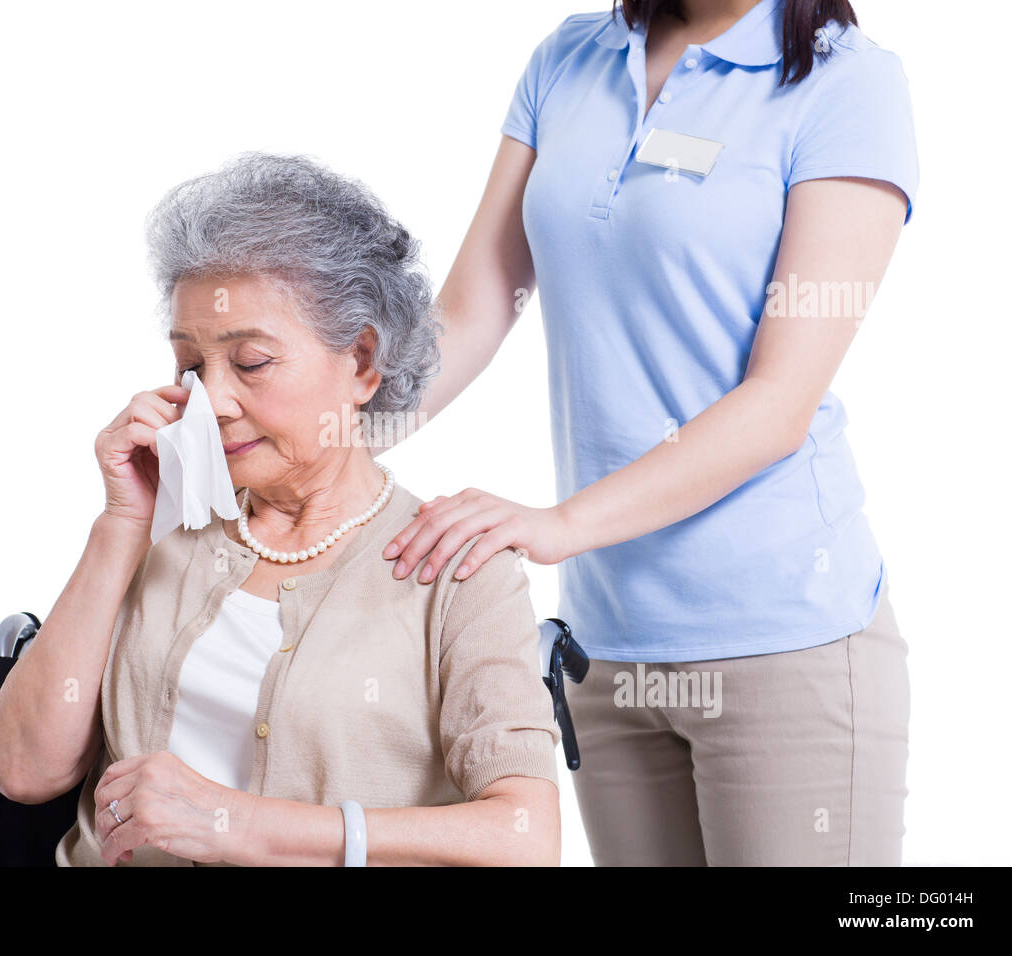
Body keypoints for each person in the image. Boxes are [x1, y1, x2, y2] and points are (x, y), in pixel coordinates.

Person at [380, 0, 916, 865]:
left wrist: (556, 525)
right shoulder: (570, 57)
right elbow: (473, 310)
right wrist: (317, 435)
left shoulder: (847, 84)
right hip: (610, 648)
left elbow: (777, 403)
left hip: (783, 640)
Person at [0, 151, 562, 866]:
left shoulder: (458, 570)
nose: (212, 400)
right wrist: (122, 525)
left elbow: (524, 838)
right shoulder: (167, 530)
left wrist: (238, 824)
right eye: (191, 366)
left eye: (251, 362)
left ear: (362, 362)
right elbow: (23, 772)